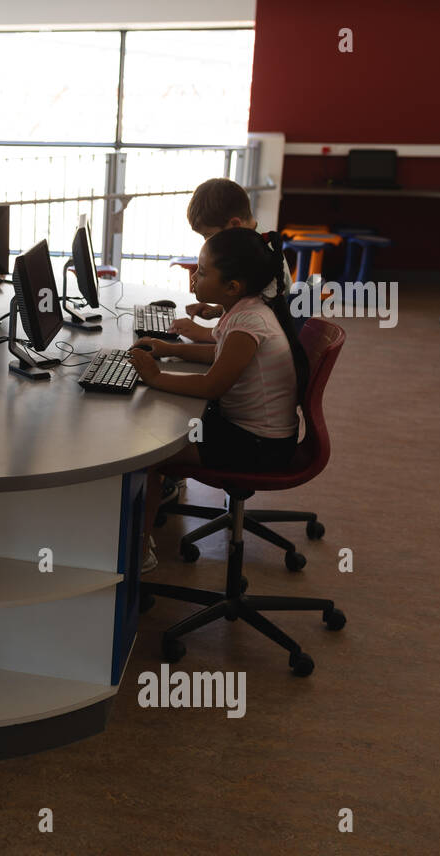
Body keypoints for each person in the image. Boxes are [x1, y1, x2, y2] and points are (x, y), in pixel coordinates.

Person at [127, 228, 309, 573]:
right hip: (253, 433)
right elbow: (219, 354)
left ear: (232, 287)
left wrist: (155, 377)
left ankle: (137, 552)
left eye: (203, 271)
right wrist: (170, 348)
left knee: (147, 453)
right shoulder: (246, 309)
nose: (195, 276)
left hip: (259, 446)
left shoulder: (247, 321)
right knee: (160, 421)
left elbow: (212, 386)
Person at [172, 178, 290, 343]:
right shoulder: (251, 244)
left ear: (234, 225)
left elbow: (252, 329)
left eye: (208, 235)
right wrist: (218, 310)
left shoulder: (264, 257)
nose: (207, 243)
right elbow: (249, 299)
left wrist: (202, 333)